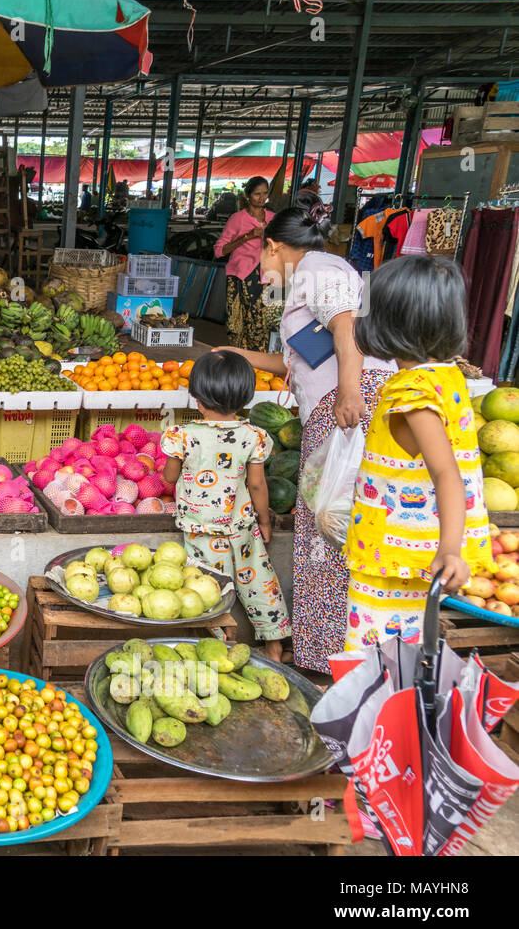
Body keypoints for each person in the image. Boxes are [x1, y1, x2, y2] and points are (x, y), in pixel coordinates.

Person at [214, 202, 396, 672]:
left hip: (350, 411)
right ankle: (324, 651)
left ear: (273, 245)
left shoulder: (319, 267)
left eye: (261, 259)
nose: (261, 271)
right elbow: (299, 364)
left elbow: (347, 328)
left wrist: (351, 396)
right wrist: (238, 352)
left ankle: (339, 653)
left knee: (335, 530)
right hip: (335, 410)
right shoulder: (308, 280)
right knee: (327, 529)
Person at [344, 256, 494, 649]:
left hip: (398, 557)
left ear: (385, 321)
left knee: (374, 664)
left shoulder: (411, 394)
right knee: (408, 657)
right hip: (416, 550)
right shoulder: (447, 377)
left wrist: (449, 550)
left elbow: (447, 473)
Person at [161, 352, 291, 660]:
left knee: (209, 589)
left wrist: (176, 467)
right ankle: (274, 644)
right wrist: (265, 521)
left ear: (197, 398)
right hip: (243, 526)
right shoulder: (254, 436)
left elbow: (169, 477)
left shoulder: (183, 435)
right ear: (246, 395)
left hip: (202, 530)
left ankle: (220, 649)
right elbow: (258, 485)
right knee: (259, 580)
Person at [214, 176, 275, 351]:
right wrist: (248, 236)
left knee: (261, 325)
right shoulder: (237, 219)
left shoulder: (273, 218)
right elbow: (219, 251)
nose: (262, 198)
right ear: (248, 196)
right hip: (240, 277)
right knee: (236, 324)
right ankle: (238, 359)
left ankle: (259, 364)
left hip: (267, 277)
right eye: (257, 194)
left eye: (265, 193)